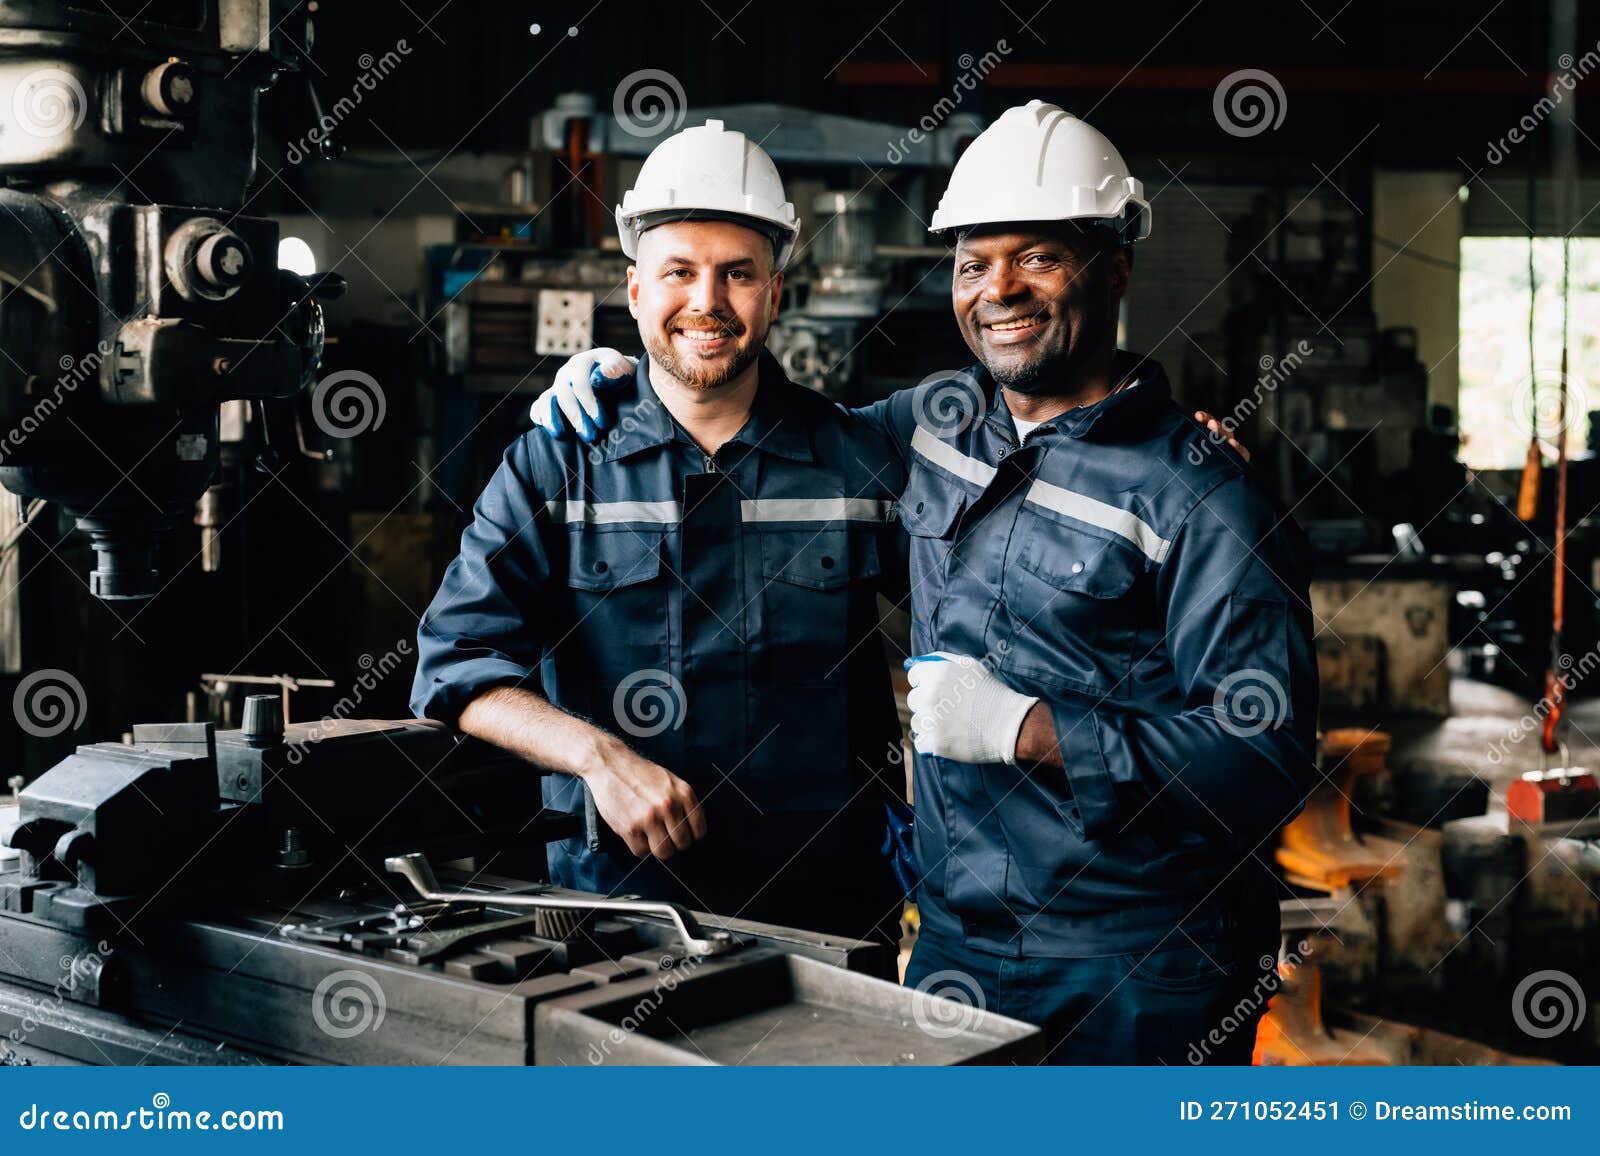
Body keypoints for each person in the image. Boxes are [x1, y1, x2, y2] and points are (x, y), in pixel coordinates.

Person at [531, 100, 1317, 1064]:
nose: (1001, 290)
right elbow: (767, 427)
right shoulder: (932, 429)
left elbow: (1265, 759)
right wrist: (630, 375)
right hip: (955, 951)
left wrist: (1028, 730)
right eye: (974, 263)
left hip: (1138, 968)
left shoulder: (1202, 495)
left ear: (1115, 265)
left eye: (1040, 256)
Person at [410, 120, 907, 947]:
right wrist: (599, 759)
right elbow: (453, 668)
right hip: (618, 917)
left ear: (774, 292)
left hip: (824, 917)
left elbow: (982, 607)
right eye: (679, 272)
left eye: (737, 274)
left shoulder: (858, 460)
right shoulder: (555, 465)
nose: (707, 302)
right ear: (636, 292)